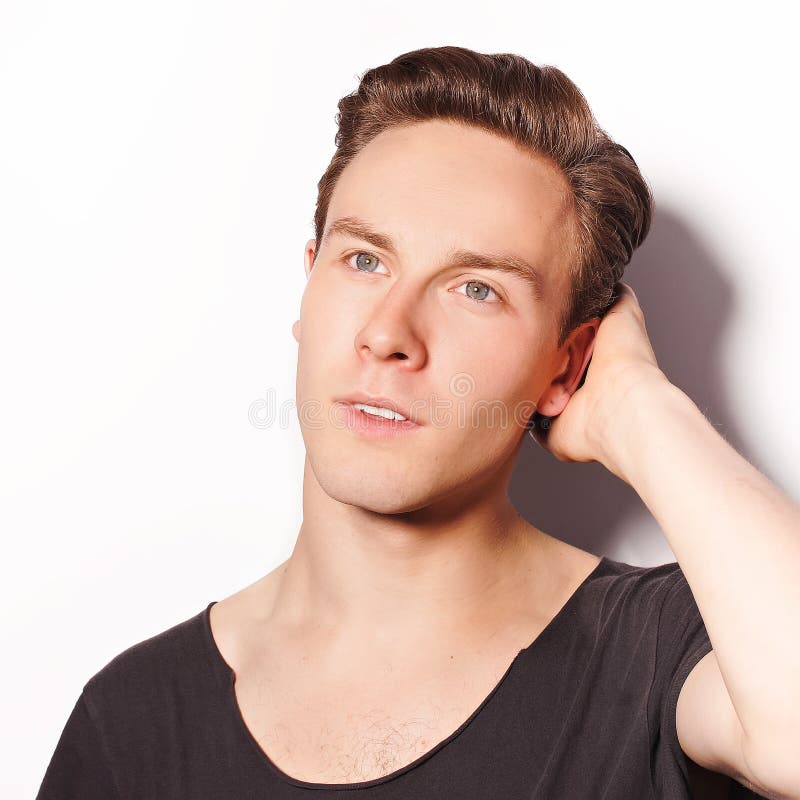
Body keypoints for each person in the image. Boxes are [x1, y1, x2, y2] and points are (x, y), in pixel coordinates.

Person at [36, 46, 798, 799]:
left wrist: (638, 405)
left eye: (475, 289)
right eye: (365, 261)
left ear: (565, 366)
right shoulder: (130, 721)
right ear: (308, 289)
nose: (388, 333)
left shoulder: (669, 650)